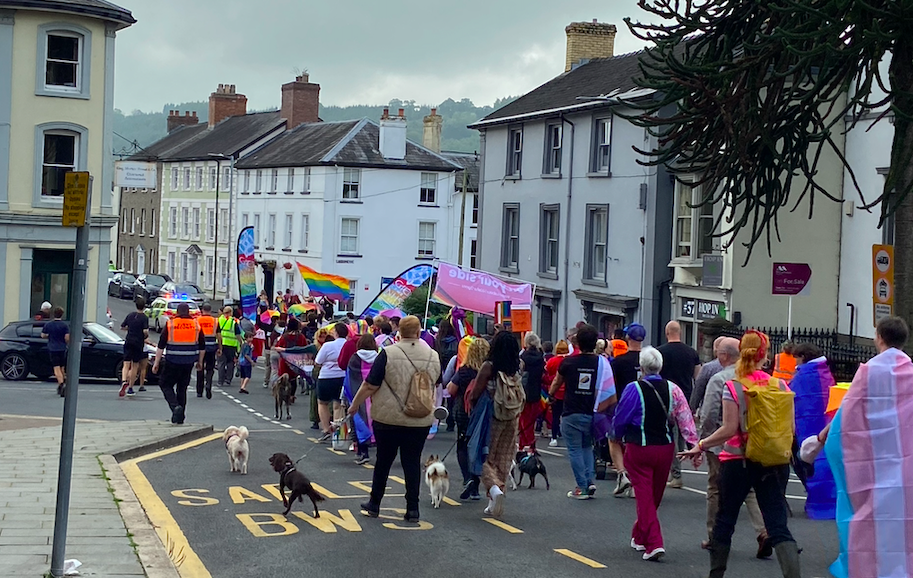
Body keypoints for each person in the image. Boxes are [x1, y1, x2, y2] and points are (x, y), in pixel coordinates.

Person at [680, 330, 800, 578]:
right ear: (764, 355)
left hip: (738, 462)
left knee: (726, 521)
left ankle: (717, 574)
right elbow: (790, 429)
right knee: (778, 525)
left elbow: (728, 429)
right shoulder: (780, 385)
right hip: (773, 462)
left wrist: (700, 445)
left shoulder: (733, 386)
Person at [813, 316, 913, 578]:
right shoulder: (911, 372)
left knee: (866, 518)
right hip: (904, 460)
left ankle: (868, 569)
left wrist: (825, 439)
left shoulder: (868, 371)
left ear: (879, 337)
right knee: (901, 518)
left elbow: (847, 415)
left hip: (871, 461)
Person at [348, 315, 441, 523]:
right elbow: (436, 381)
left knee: (383, 460)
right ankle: (413, 509)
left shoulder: (388, 353)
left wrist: (355, 405)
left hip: (388, 418)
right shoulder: (433, 355)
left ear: (399, 332)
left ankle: (375, 503)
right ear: (418, 332)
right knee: (412, 462)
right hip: (420, 417)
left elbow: (370, 384)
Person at [614, 347, 700, 561]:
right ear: (660, 366)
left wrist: (615, 435)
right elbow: (685, 419)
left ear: (642, 368)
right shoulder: (674, 389)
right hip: (665, 448)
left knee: (644, 497)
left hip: (639, 448)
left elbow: (621, 418)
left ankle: (654, 543)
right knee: (654, 497)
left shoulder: (633, 389)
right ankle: (640, 535)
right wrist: (694, 445)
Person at [697, 337, 770, 555]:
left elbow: (708, 414)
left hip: (724, 442)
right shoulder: (756, 378)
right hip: (753, 440)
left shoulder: (720, 379)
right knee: (749, 489)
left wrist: (703, 441)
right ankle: (763, 530)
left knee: (715, 489)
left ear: (723, 355)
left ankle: (714, 535)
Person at [549, 324, 617, 500]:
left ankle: (582, 486)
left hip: (572, 411)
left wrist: (550, 395)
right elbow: (609, 388)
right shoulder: (601, 363)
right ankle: (589, 480)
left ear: (578, 342)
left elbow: (557, 382)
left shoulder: (569, 362)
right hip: (593, 411)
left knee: (574, 449)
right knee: (587, 447)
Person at [468, 331, 524, 517]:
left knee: (481, 455)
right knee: (504, 457)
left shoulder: (489, 367)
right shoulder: (518, 367)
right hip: (512, 416)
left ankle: (494, 489)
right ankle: (494, 501)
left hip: (491, 416)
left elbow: (476, 393)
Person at [788, 342, 836, 518]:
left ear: (802, 357)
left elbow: (792, 396)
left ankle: (815, 496)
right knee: (825, 462)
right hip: (824, 425)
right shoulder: (826, 373)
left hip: (805, 427)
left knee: (804, 459)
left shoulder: (802, 376)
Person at [657, 320, 701, 489]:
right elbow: (698, 377)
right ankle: (677, 470)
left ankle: (675, 474)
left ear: (667, 333)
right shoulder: (691, 352)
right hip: (686, 399)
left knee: (670, 436)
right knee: (682, 435)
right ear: (680, 332)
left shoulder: (660, 352)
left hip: (665, 398)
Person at [448, 337, 490, 500]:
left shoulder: (464, 370)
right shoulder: (489, 371)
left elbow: (451, 389)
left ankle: (467, 478)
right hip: (483, 413)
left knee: (463, 445)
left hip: (463, 411)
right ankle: (476, 483)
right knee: (479, 446)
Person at [152, 303, 205, 424]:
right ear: (188, 312)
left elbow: (161, 346)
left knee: (165, 384)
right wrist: (200, 362)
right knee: (182, 388)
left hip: (172, 361)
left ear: (177, 312)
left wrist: (156, 362)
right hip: (188, 362)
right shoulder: (196, 325)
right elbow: (202, 346)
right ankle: (180, 417)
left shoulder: (170, 324)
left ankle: (175, 407)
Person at [609, 322, 646, 496]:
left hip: (624, 405)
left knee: (614, 438)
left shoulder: (619, 362)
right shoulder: (649, 359)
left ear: (627, 338)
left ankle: (622, 473)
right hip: (647, 406)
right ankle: (636, 478)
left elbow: (612, 386)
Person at [346, 333, 379, 465]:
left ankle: (362, 451)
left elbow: (349, 377)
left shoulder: (355, 358)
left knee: (359, 422)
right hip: (375, 394)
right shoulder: (379, 358)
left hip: (359, 394)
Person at [315, 323, 349, 441]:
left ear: (336, 333)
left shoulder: (327, 345)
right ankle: (337, 431)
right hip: (343, 377)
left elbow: (318, 361)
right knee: (338, 405)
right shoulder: (348, 345)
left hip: (326, 377)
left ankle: (326, 429)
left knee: (322, 403)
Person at [518, 332, 545, 450]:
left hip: (524, 390)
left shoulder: (523, 357)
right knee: (531, 420)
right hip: (536, 391)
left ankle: (526, 443)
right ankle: (528, 444)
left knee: (523, 419)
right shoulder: (541, 358)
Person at [543, 340, 570, 446]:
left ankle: (554, 437)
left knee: (555, 416)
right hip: (568, 392)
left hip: (555, 392)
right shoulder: (570, 361)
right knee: (566, 416)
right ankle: (565, 435)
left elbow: (546, 375)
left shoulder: (552, 361)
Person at [691, 336, 726, 413]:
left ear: (716, 349)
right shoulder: (739, 369)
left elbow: (698, 389)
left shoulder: (708, 368)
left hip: (710, 410)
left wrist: (693, 408)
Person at [41, 307, 69, 397]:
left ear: (54, 314)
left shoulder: (49, 325)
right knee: (62, 367)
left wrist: (49, 336)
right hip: (62, 348)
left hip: (53, 348)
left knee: (56, 368)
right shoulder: (65, 325)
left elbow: (43, 335)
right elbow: (67, 338)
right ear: (62, 314)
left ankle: (61, 384)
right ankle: (63, 382)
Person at [195, 303, 218, 399]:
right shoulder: (215, 321)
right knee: (210, 368)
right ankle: (208, 384)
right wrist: (220, 348)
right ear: (210, 310)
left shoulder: (197, 320)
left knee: (200, 367)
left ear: (202, 310)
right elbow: (219, 336)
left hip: (200, 348)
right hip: (211, 347)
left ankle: (199, 391)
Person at [217, 306, 242, 389]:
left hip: (220, 345)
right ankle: (228, 379)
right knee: (230, 363)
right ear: (231, 312)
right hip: (231, 345)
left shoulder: (219, 320)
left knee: (221, 363)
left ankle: (220, 381)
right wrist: (241, 342)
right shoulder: (234, 322)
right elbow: (237, 334)